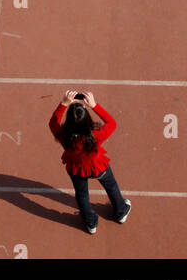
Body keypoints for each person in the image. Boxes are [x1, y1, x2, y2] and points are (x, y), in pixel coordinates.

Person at [49, 91, 131, 233]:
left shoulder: (64, 135)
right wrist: (94, 105)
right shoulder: (96, 135)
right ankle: (120, 212)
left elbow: (53, 123)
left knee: (81, 194)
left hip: (76, 169)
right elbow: (112, 123)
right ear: (87, 120)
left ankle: (91, 223)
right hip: (98, 167)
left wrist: (64, 104)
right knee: (111, 185)